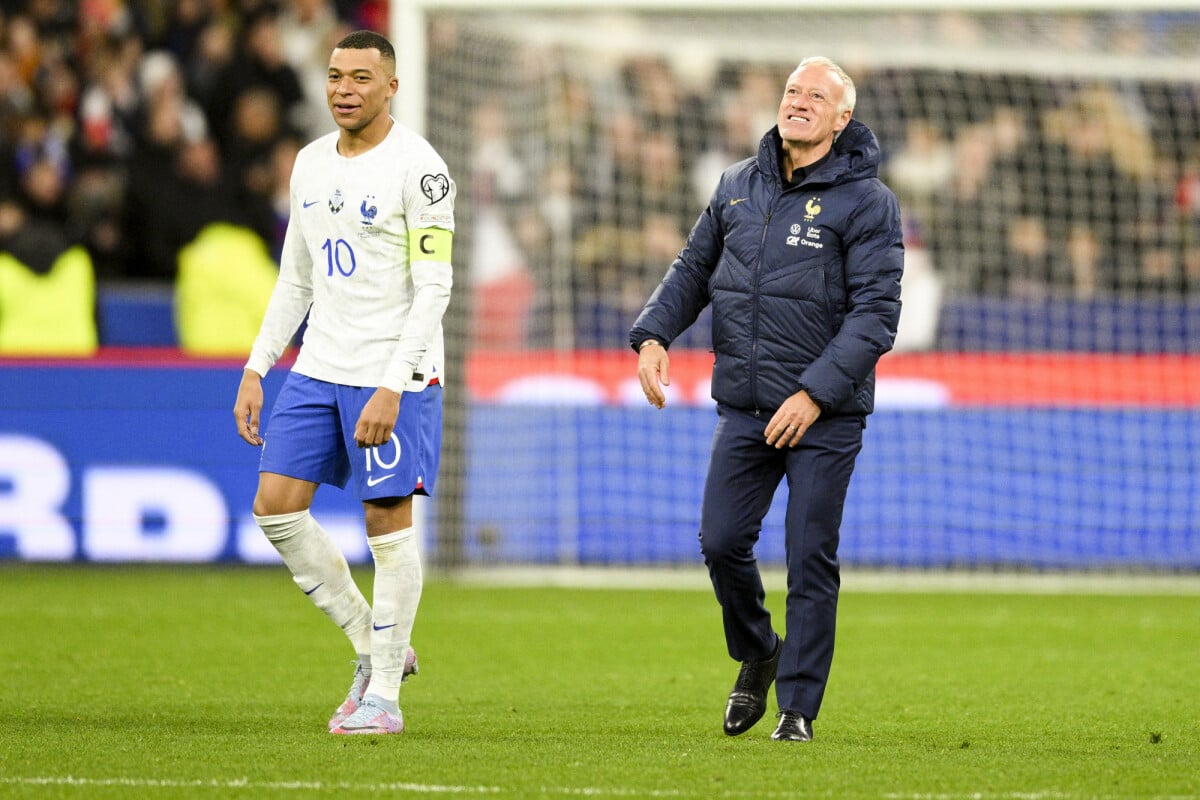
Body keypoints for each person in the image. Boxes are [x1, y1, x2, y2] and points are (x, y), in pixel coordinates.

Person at [629, 57, 903, 743]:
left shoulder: (870, 203)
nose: (799, 102)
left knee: (810, 556)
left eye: (818, 96)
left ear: (842, 119)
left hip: (825, 415)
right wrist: (655, 333)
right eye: (792, 91)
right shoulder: (735, 186)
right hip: (748, 407)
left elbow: (876, 315)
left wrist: (814, 394)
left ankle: (797, 710)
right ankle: (758, 650)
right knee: (721, 543)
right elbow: (693, 268)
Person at [232, 30, 456, 736]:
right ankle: (376, 644)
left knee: (386, 526)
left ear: (391, 87)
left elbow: (435, 287)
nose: (345, 88)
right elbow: (296, 279)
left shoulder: (421, 171)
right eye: (335, 75)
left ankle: (383, 696)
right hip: (319, 365)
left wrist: (396, 384)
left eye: (361, 76)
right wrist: (257, 365)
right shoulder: (307, 164)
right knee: (275, 507)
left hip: (393, 371)